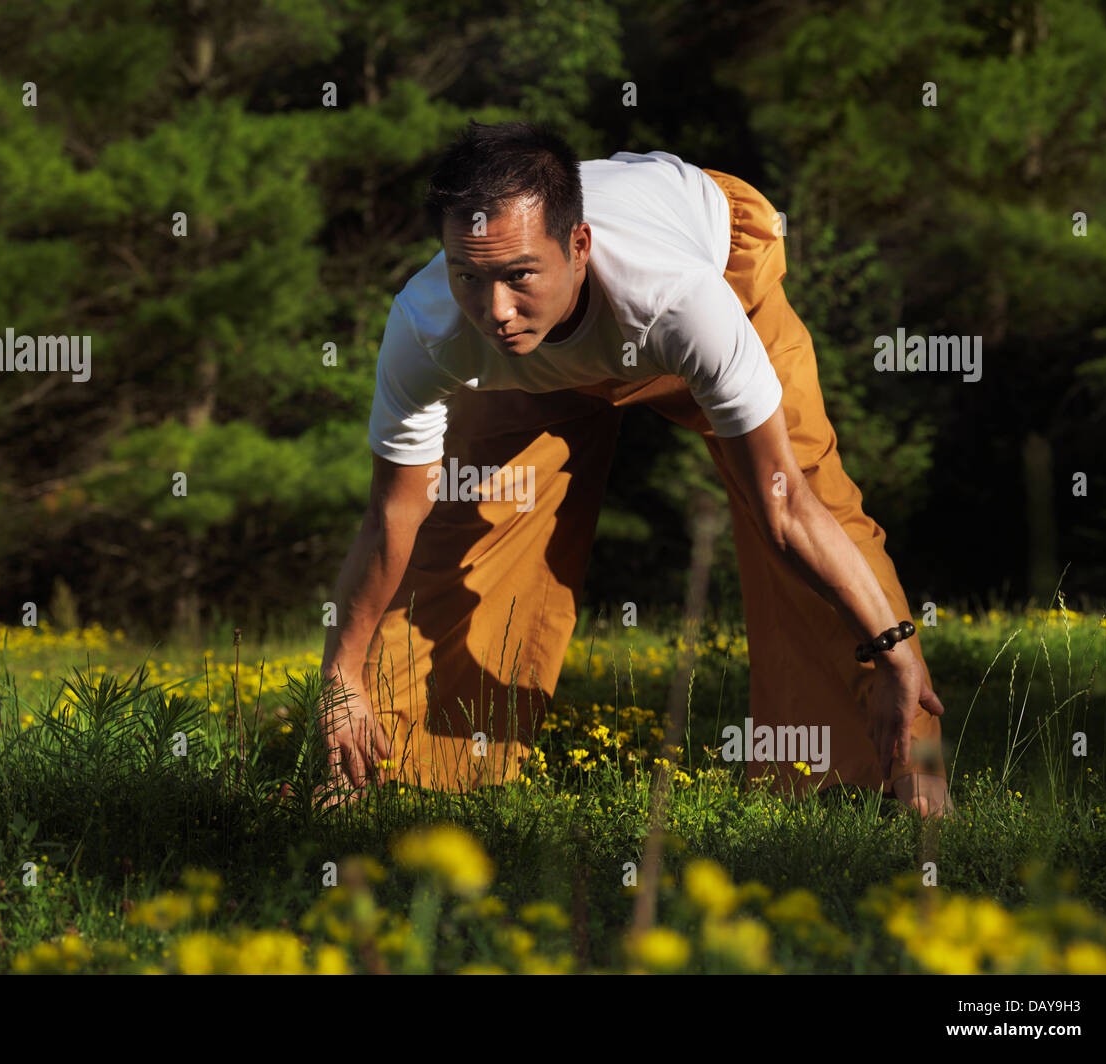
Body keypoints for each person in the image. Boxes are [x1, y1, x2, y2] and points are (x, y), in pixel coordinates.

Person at [318, 119, 954, 818]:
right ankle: (401, 770)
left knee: (817, 510)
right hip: (541, 367)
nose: (494, 311)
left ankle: (900, 780)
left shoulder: (681, 301)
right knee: (466, 525)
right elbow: (393, 516)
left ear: (578, 246)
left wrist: (893, 651)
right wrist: (343, 672)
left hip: (707, 276)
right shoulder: (431, 324)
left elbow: (788, 509)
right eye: (467, 275)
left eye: (518, 275)